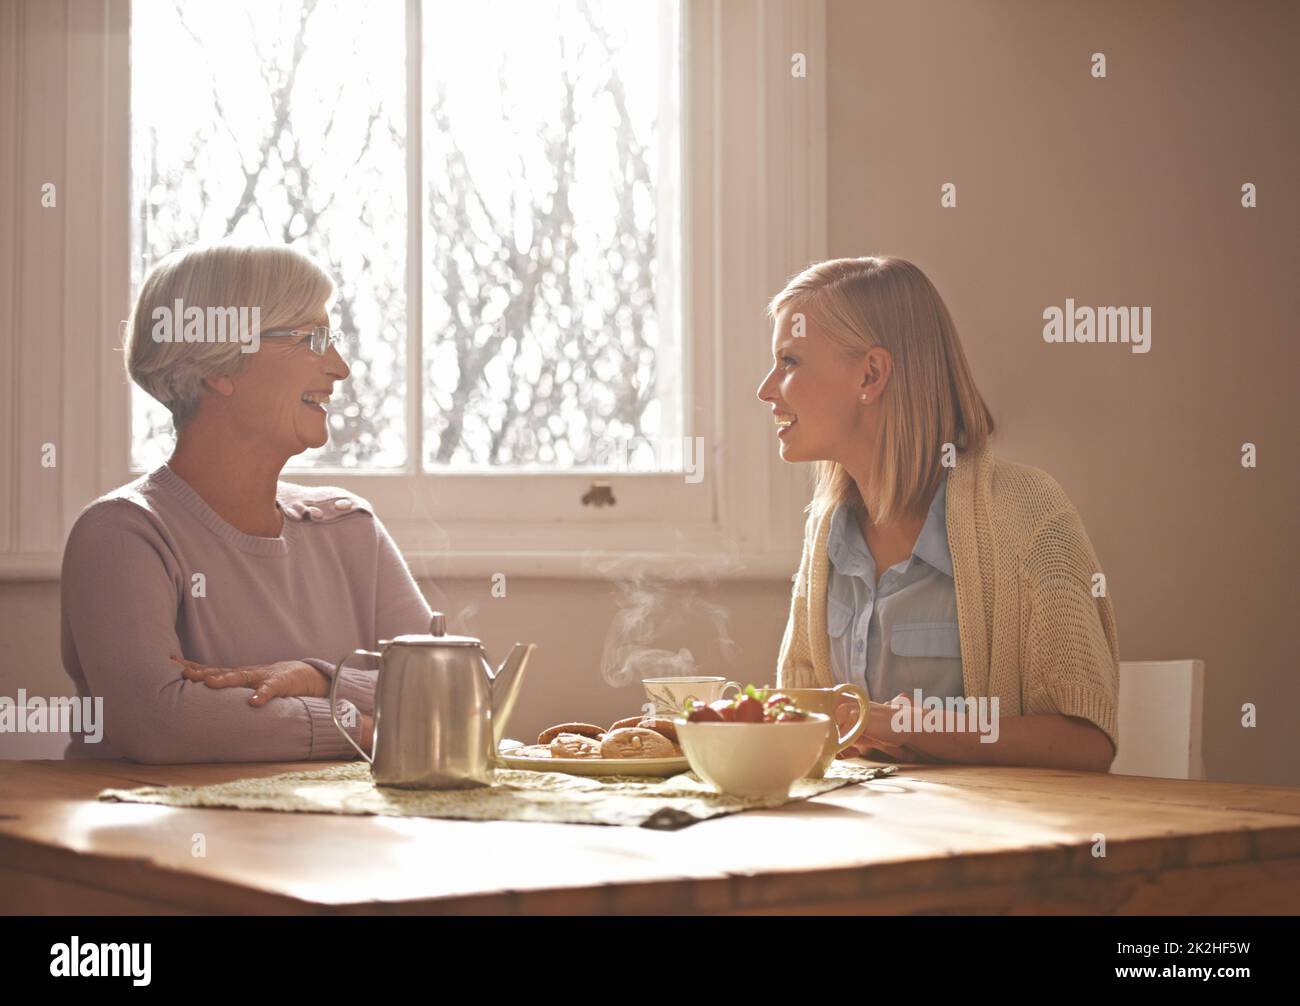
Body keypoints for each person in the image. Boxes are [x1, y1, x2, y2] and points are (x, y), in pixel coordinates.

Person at [60, 244, 432, 763]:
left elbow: (460, 695)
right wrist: (371, 728)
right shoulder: (122, 535)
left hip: (341, 843)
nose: (340, 367)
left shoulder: (350, 527)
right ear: (220, 365)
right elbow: (160, 724)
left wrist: (320, 679)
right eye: (313, 339)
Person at [758, 256, 1118, 772]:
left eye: (789, 362)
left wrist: (909, 726)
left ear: (871, 373)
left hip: (988, 841)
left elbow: (1089, 746)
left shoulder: (1028, 515)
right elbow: (796, 723)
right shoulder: (826, 530)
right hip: (860, 838)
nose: (766, 389)